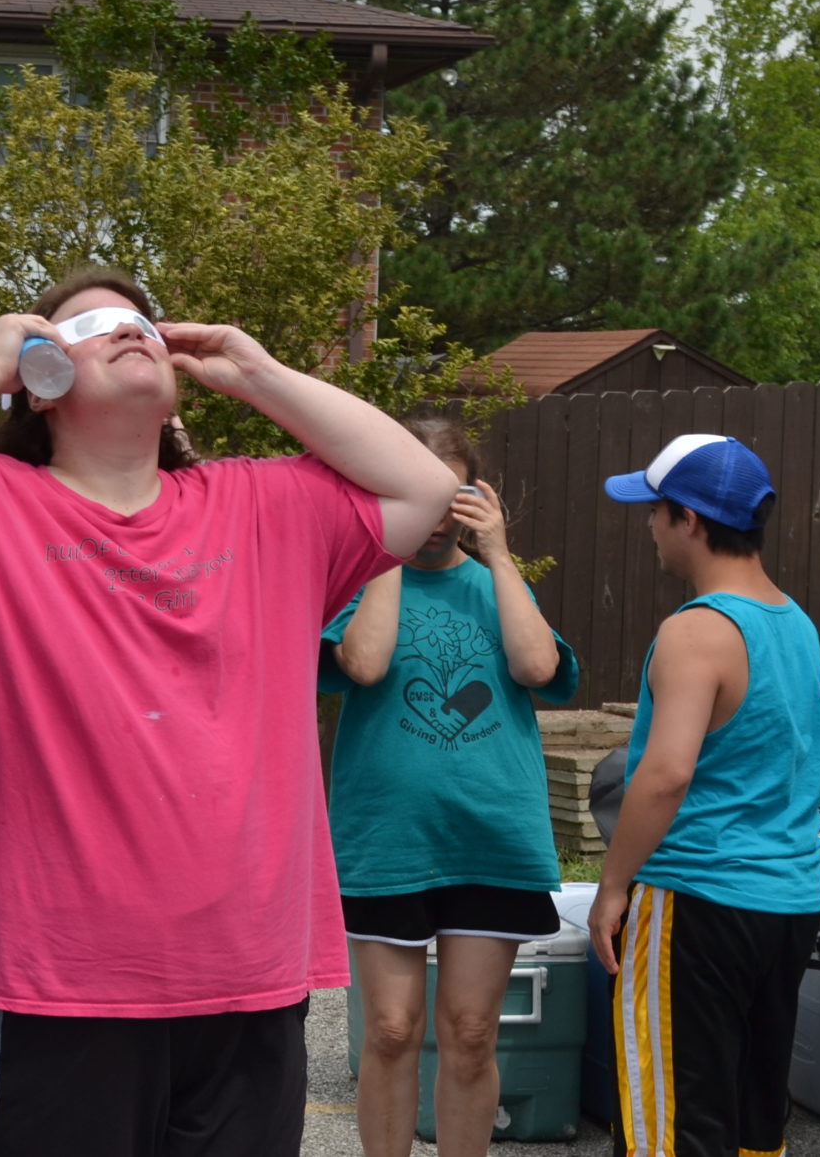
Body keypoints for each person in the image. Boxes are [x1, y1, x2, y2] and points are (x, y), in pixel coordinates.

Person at [0, 268, 456, 1157]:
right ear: (40, 380)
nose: (133, 332)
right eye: (93, 326)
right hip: (48, 977)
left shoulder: (264, 500)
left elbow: (421, 489)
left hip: (247, 975)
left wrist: (258, 370)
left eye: (143, 322)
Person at [322, 415, 579, 1157]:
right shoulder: (366, 580)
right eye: (417, 494)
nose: (435, 517)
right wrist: (385, 542)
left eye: (450, 497)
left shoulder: (497, 584)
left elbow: (537, 670)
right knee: (393, 1027)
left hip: (490, 837)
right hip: (388, 839)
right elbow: (365, 664)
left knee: (470, 1033)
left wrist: (499, 554)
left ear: (475, 497)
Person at [587, 435, 820, 1157]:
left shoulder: (695, 631)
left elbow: (665, 774)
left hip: (697, 898)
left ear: (689, 518)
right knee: (753, 1123)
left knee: (675, 1128)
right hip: (787, 900)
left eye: (654, 511)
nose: (649, 528)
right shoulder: (796, 621)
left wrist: (612, 885)